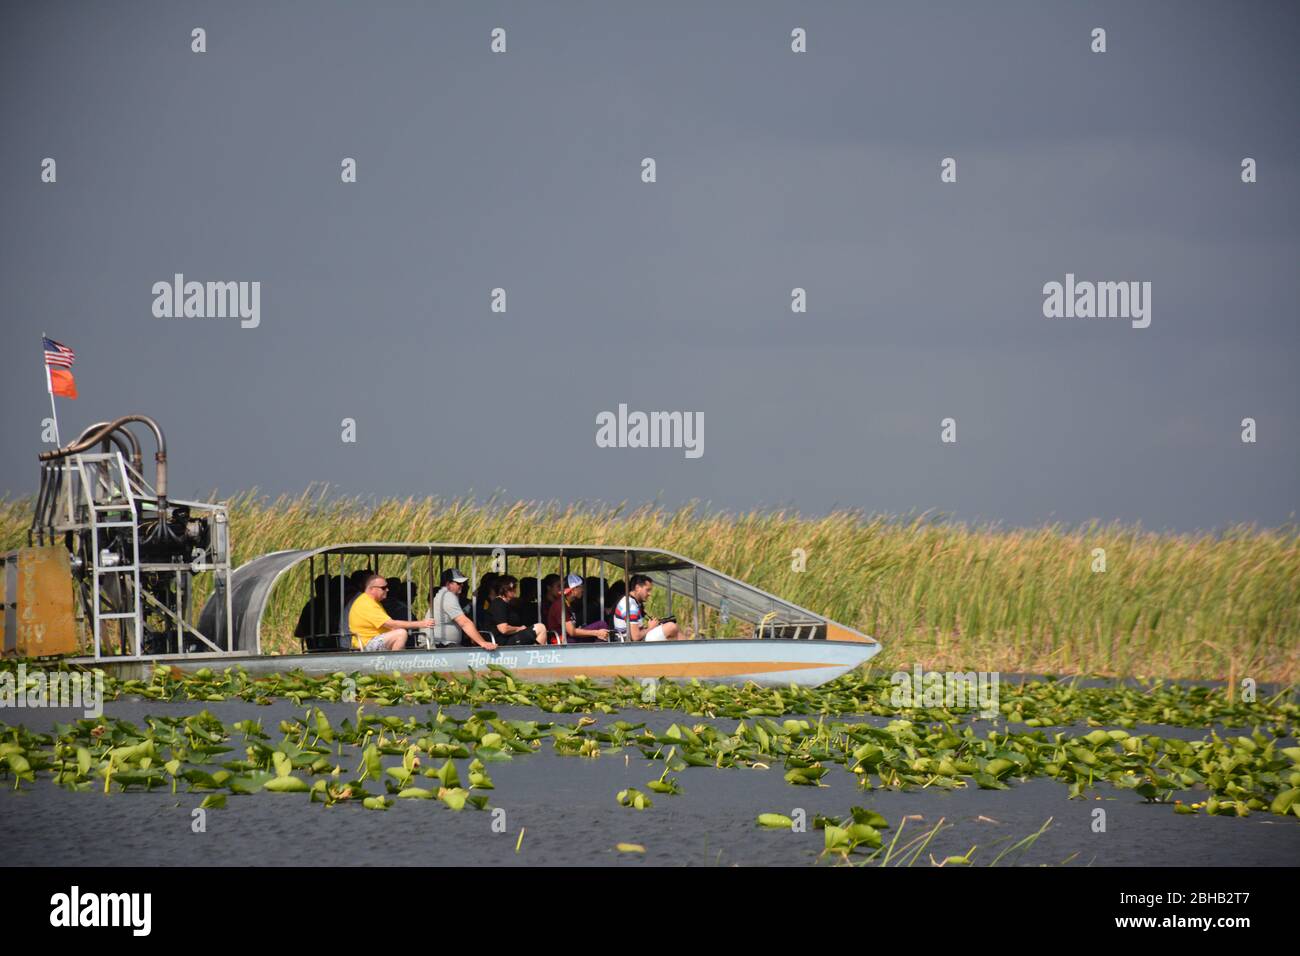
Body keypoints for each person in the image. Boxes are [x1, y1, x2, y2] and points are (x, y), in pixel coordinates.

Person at [348, 574, 435, 651]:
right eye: (383, 588)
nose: (387, 590)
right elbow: (392, 624)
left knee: (398, 632)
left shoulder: (374, 602)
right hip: (366, 644)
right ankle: (395, 665)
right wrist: (422, 624)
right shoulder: (367, 604)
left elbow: (389, 626)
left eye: (387, 587)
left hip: (371, 641)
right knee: (401, 634)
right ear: (372, 589)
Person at [427, 568, 498, 650]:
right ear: (448, 584)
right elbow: (464, 622)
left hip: (445, 643)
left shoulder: (448, 595)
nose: (462, 585)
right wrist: (483, 643)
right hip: (438, 643)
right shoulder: (447, 596)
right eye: (458, 583)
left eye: (462, 583)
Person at [614, 574, 685, 642]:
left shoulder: (631, 602)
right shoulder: (630, 606)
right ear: (637, 588)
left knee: (673, 629)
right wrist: (651, 627)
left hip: (632, 639)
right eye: (647, 590)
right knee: (671, 627)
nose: (649, 594)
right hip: (629, 642)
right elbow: (635, 637)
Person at [482, 575, 547, 645]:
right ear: (505, 589)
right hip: (502, 641)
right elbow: (503, 629)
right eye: (513, 588)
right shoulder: (498, 603)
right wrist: (519, 628)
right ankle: (537, 653)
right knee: (540, 628)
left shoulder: (508, 604)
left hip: (510, 637)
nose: (515, 590)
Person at [547, 574, 609, 644]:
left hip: (567, 637)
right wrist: (596, 633)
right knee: (601, 625)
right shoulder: (560, 605)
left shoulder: (567, 603)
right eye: (580, 587)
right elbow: (572, 632)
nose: (582, 590)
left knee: (598, 627)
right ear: (573, 589)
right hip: (562, 640)